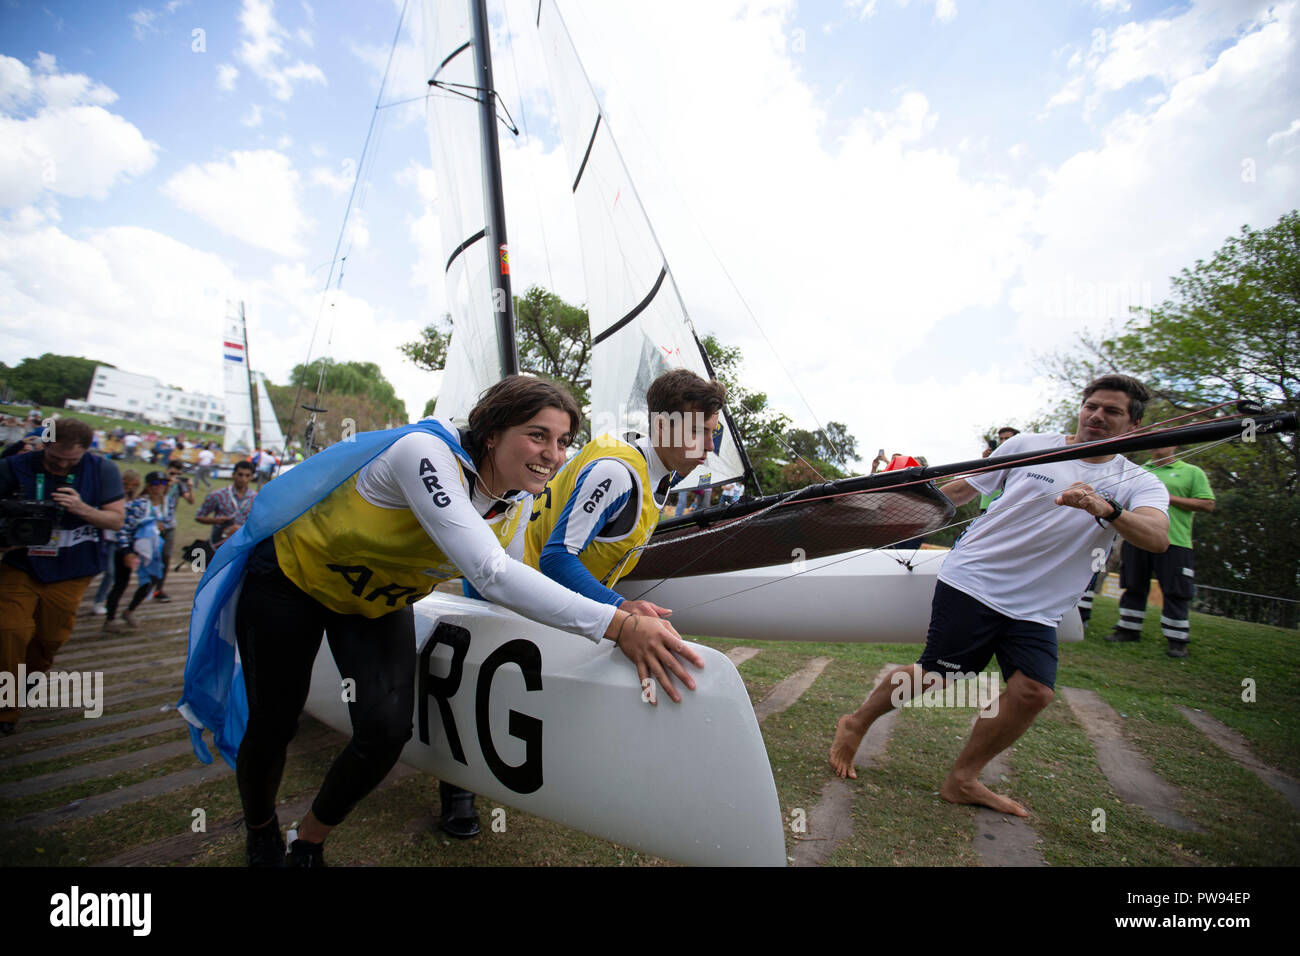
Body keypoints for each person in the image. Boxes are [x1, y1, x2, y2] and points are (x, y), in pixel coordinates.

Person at [179, 375, 704, 867]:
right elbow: (491, 571)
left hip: (377, 602)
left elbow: (522, 575)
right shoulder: (425, 452)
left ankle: (309, 842)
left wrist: (618, 606)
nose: (553, 455)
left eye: (563, 441)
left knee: (386, 734)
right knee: (274, 721)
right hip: (293, 579)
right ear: (492, 433)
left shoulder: (520, 497)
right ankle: (262, 827)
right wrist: (618, 626)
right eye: (537, 436)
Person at [829, 374, 1170, 816]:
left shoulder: (1138, 482)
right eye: (1092, 406)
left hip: (1038, 607)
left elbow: (1158, 538)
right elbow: (961, 490)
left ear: (1133, 425)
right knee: (939, 674)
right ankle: (856, 723)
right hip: (976, 578)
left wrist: (1107, 509)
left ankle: (963, 780)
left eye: (1112, 411)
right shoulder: (1030, 444)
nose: (1097, 416)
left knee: (1034, 693)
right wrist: (884, 514)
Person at [437, 369, 723, 840]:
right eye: (702, 434)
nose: (708, 448)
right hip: (508, 585)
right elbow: (555, 558)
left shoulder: (659, 475)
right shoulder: (617, 471)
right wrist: (620, 609)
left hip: (547, 595)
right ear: (669, 429)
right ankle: (457, 783)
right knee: (490, 690)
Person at [0, 419, 125, 733]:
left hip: (72, 569)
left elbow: (115, 520)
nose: (60, 465)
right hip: (21, 562)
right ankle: (5, 710)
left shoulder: (102, 471)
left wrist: (82, 508)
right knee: (9, 630)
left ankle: (28, 681)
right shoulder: (12, 466)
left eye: (71, 461)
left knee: (49, 639)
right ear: (44, 443)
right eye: (55, 458)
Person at [1105, 445, 1215, 658]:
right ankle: (1128, 629)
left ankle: (1177, 639)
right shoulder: (1136, 471)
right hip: (1136, 536)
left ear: (1174, 445)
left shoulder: (1191, 472)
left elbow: (1208, 504)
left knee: (1176, 590)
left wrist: (1165, 496)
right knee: (1133, 583)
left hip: (1176, 541)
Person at [102, 472, 168, 633]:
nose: (159, 485)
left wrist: (160, 529)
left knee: (151, 580)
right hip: (129, 548)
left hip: (151, 550)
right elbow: (122, 528)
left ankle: (129, 611)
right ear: (148, 485)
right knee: (121, 583)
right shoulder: (137, 504)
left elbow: (166, 524)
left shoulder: (167, 504)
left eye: (163, 482)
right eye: (155, 482)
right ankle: (109, 620)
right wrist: (126, 551)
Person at [91, 469, 141, 615]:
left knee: (111, 573)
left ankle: (99, 601)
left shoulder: (134, 501)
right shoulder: (110, 495)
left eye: (133, 484)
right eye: (126, 483)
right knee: (96, 569)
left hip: (116, 541)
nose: (129, 487)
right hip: (102, 536)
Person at [153, 461, 194, 602]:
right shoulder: (158, 482)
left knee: (165, 556)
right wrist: (167, 486)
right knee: (151, 555)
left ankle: (159, 589)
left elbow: (191, 501)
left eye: (178, 474)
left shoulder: (179, 486)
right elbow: (155, 499)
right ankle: (146, 584)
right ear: (166, 471)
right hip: (154, 524)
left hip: (170, 525)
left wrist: (190, 488)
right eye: (172, 474)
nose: (174, 477)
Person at [195, 461, 256, 545]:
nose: (243, 479)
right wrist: (215, 520)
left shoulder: (255, 498)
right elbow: (199, 516)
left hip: (243, 545)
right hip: (219, 543)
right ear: (233, 475)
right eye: (240, 474)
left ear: (252, 477)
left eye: (247, 476)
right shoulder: (218, 495)